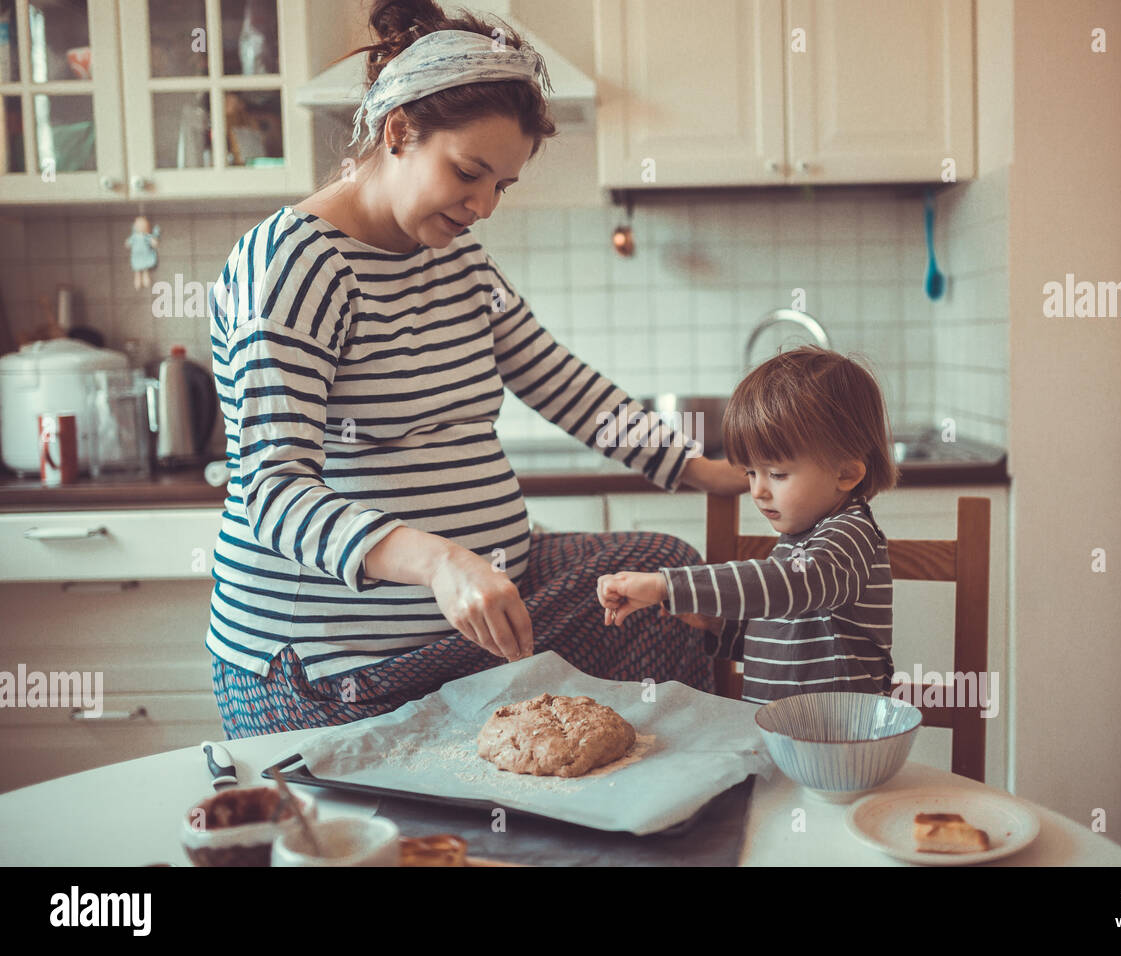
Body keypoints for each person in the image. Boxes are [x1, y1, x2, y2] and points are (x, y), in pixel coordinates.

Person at [206, 0, 747, 739]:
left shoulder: (453, 257)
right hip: (330, 669)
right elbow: (270, 490)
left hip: (460, 621)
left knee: (663, 572)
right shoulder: (295, 265)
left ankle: (682, 792)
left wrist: (699, 469)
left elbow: (562, 384)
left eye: (504, 185)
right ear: (398, 132)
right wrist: (440, 564)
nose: (485, 205)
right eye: (469, 173)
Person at [596, 347, 898, 704]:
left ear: (846, 473)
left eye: (777, 474)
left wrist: (669, 585)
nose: (757, 490)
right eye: (751, 472)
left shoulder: (850, 533)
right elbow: (786, 643)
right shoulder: (796, 539)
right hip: (782, 739)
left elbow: (797, 584)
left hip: (838, 745)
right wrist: (720, 625)